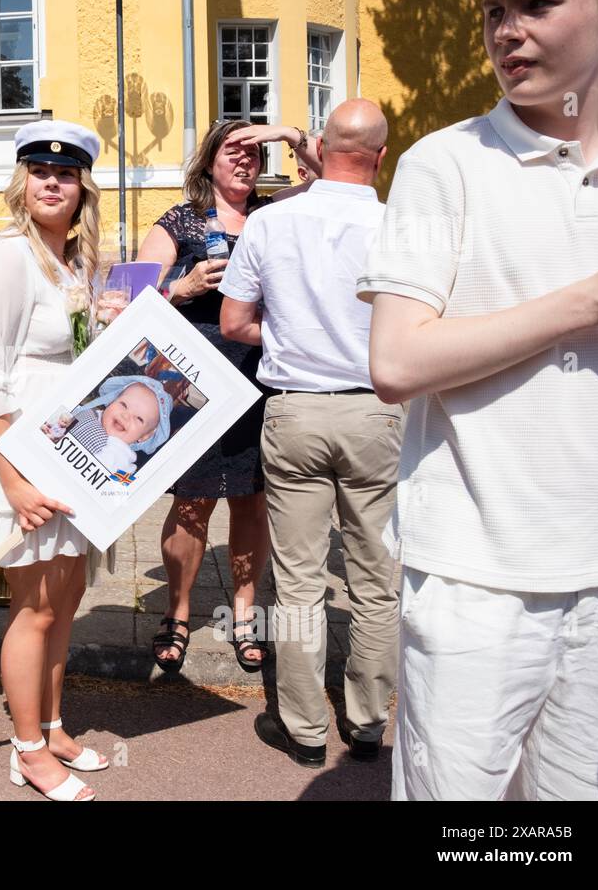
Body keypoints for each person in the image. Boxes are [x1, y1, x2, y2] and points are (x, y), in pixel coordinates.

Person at [358, 0, 598, 800]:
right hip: (477, 577)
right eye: (493, 13)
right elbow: (396, 360)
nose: (507, 31)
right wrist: (591, 302)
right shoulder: (446, 162)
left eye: (538, 4)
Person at [218, 99, 400, 769]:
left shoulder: (270, 221)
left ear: (320, 146)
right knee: (376, 578)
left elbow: (236, 323)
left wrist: (296, 340)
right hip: (375, 407)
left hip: (294, 406)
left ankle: (302, 727)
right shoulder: (398, 224)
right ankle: (365, 721)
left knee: (297, 580)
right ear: (380, 156)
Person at [0, 119, 107, 801]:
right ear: (23, 182)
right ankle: (27, 752)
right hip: (21, 456)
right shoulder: (8, 256)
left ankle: (51, 724)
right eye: (41, 172)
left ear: (81, 189)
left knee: (66, 600)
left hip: (71, 452)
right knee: (36, 607)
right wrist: (14, 483)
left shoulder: (70, 259)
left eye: (67, 173)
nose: (53, 182)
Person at [135, 120, 318, 674]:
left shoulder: (272, 214)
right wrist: (181, 289)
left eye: (252, 153)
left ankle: (244, 612)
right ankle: (179, 612)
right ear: (208, 162)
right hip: (194, 380)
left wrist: (284, 133)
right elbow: (125, 296)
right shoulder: (180, 221)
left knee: (251, 497)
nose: (244, 160)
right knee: (192, 501)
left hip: (261, 374)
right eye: (231, 151)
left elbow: (336, 172)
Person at [63, 377, 171, 477]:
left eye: (139, 418)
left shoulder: (122, 457)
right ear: (111, 401)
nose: (126, 416)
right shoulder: (85, 411)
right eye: (123, 405)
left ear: (145, 436)